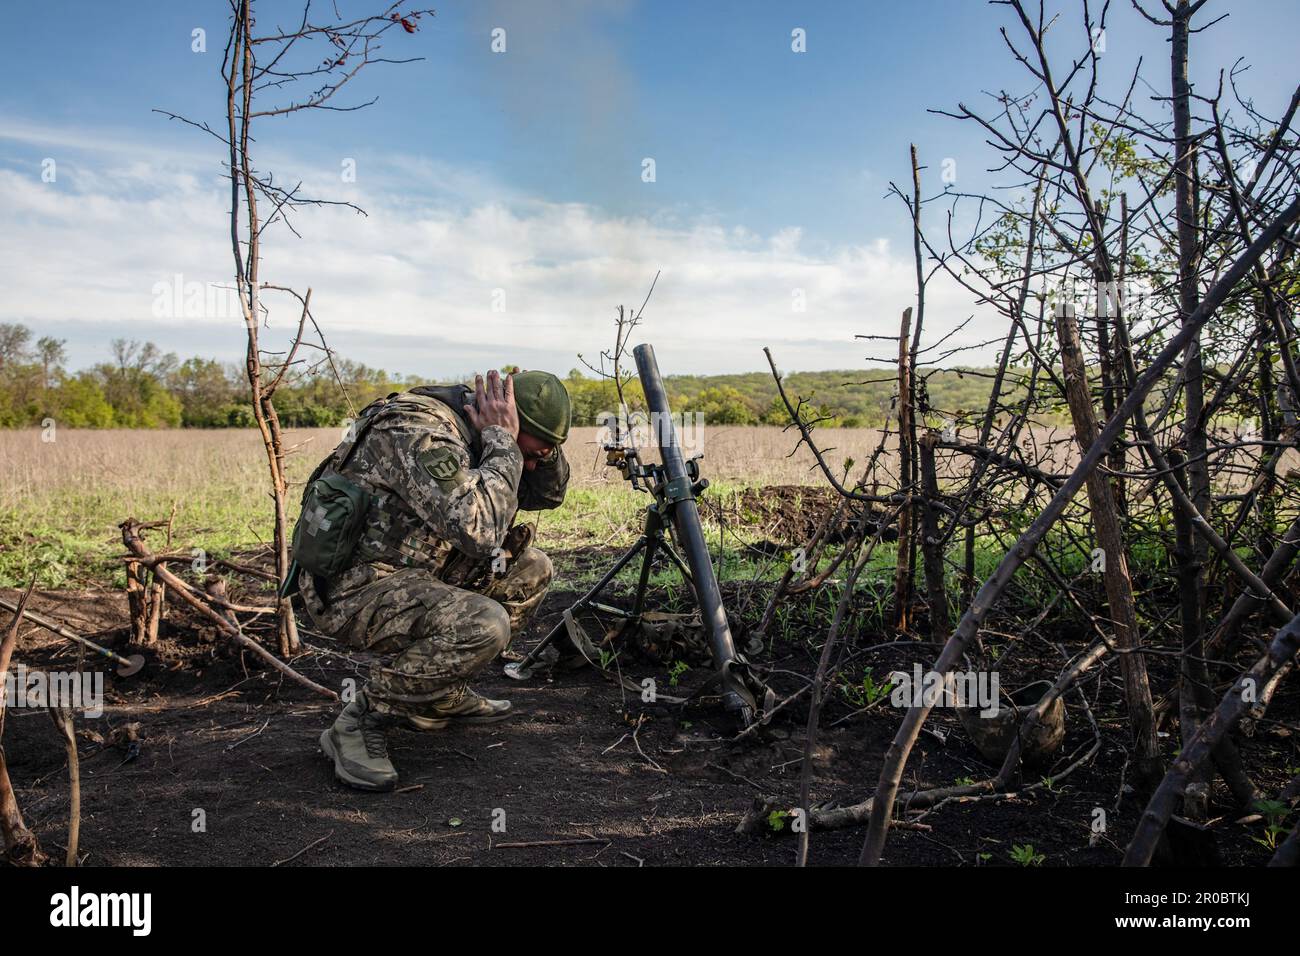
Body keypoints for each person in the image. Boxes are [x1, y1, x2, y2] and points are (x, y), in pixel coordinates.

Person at [300, 369, 571, 791]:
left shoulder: (484, 434)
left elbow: (547, 497)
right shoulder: (419, 430)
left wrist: (539, 453)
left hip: (415, 571)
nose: (530, 464)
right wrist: (502, 440)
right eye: (529, 454)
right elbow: (479, 530)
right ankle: (359, 721)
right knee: (483, 623)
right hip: (355, 587)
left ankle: (437, 691)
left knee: (529, 569)